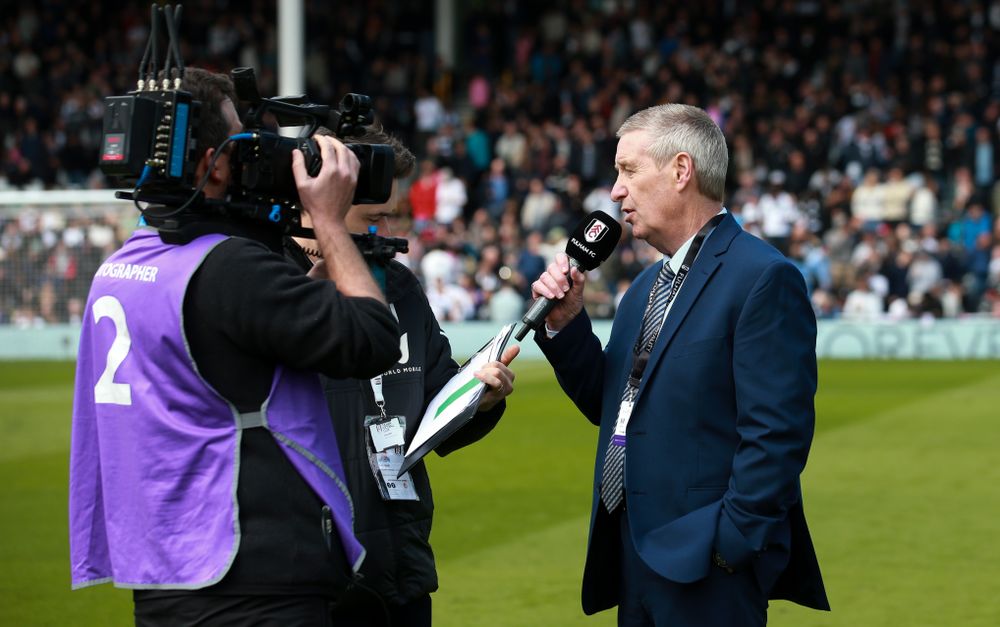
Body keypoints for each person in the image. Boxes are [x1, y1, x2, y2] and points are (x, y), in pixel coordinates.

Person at [69, 67, 403, 625]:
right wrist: (328, 221)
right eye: (241, 143)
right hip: (251, 573)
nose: (258, 156)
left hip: (165, 571)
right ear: (212, 166)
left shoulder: (125, 266)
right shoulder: (230, 271)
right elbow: (372, 338)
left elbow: (260, 330)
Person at [529, 104, 829, 625]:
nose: (616, 191)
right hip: (631, 555)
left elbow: (777, 434)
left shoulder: (761, 277)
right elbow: (612, 406)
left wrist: (728, 544)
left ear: (681, 170)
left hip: (706, 566)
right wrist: (565, 323)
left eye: (628, 170)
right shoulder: (643, 288)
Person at [286, 126, 518, 626]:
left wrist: (480, 397)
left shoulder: (398, 284)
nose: (387, 228)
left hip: (401, 571)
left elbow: (437, 394)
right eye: (374, 216)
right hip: (309, 581)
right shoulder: (267, 279)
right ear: (319, 199)